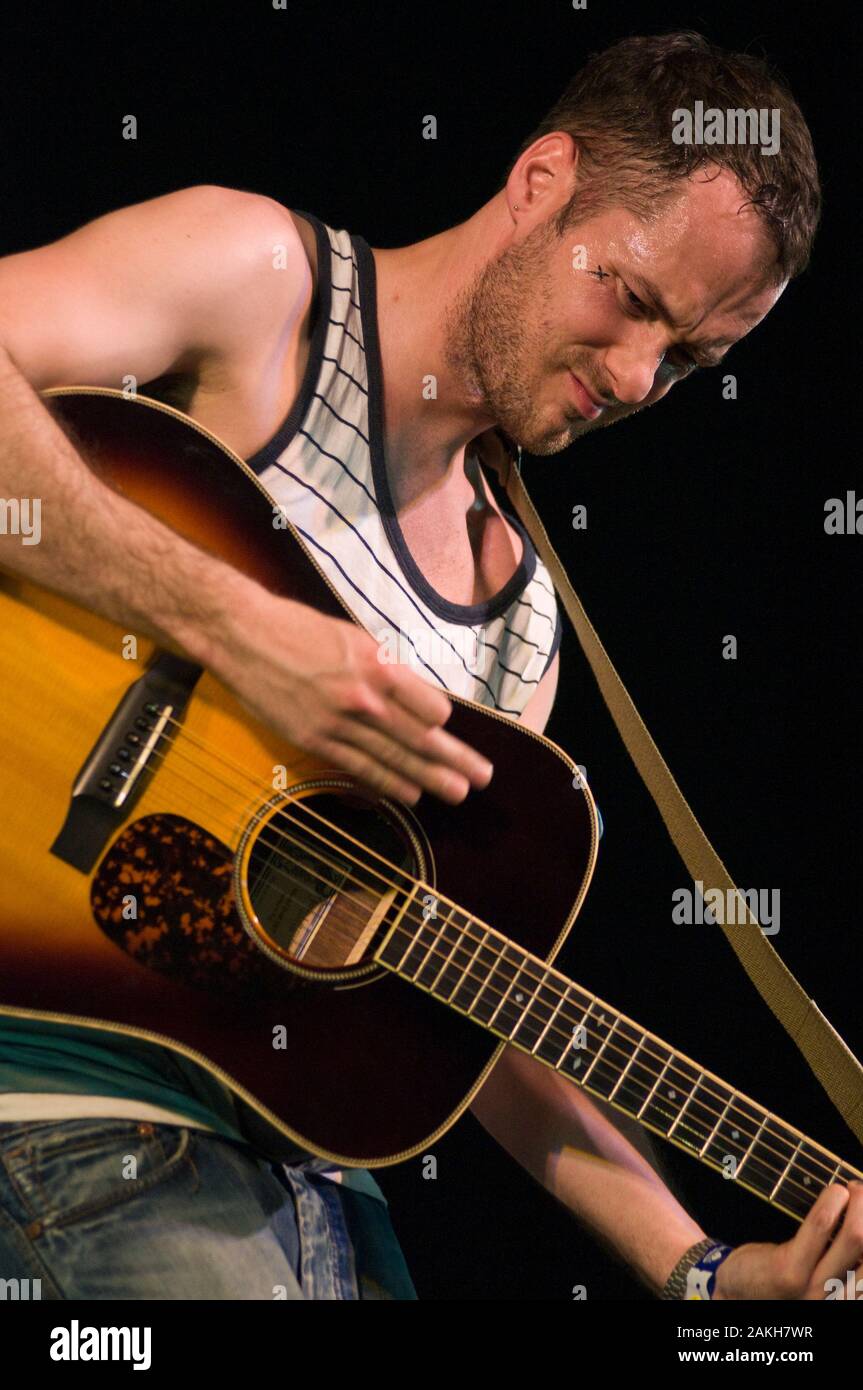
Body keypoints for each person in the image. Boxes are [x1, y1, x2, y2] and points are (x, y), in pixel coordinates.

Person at [0, 30, 856, 1301]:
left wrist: (702, 1273)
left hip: (299, 1184)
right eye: (628, 298)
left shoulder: (517, 626)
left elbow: (473, 1007)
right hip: (67, 1092)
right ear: (540, 181)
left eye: (685, 362)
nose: (633, 377)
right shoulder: (259, 283)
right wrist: (235, 627)